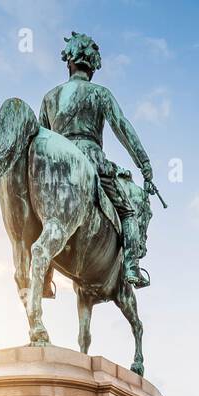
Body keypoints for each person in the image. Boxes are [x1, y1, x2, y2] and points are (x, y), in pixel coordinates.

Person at [40, 32, 155, 288]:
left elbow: (41, 139)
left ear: (69, 61)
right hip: (91, 159)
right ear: (91, 64)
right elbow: (123, 129)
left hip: (55, 164)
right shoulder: (100, 94)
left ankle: (45, 274)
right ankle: (132, 268)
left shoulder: (49, 97)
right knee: (128, 211)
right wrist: (144, 165)